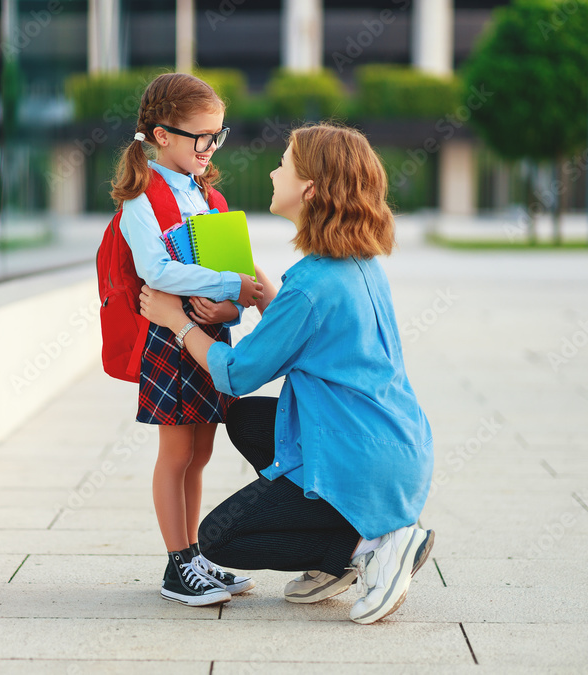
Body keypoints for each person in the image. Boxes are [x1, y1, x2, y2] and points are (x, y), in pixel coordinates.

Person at [139, 123, 435, 624]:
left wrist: (174, 322)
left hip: (358, 463)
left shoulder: (313, 284)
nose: (275, 171)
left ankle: (370, 543)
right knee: (250, 421)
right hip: (396, 450)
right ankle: (336, 560)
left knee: (218, 537)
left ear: (311, 189)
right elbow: (309, 334)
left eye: (284, 164)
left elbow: (234, 374)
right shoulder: (355, 264)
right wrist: (260, 297)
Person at [111, 72, 264, 607]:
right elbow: (156, 270)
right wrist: (229, 285)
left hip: (205, 335)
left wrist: (231, 303)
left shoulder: (206, 195)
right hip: (171, 342)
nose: (210, 147)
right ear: (161, 135)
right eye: (200, 136)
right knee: (176, 453)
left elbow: (228, 268)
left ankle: (195, 555)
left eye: (217, 135)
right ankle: (178, 566)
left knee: (200, 452)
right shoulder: (141, 197)